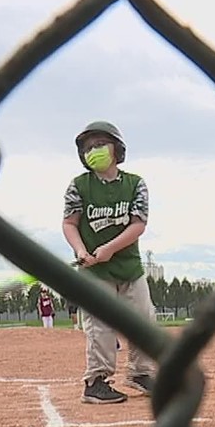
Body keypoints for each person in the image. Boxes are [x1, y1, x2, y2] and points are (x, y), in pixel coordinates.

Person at [62, 120, 158, 405]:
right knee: (100, 326)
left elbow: (138, 224)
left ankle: (141, 373)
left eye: (101, 144)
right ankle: (96, 382)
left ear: (117, 149)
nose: (94, 150)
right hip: (94, 272)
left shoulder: (135, 184)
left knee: (143, 319)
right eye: (89, 147)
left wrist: (109, 249)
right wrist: (81, 250)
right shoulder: (79, 186)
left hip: (129, 266)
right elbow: (69, 223)